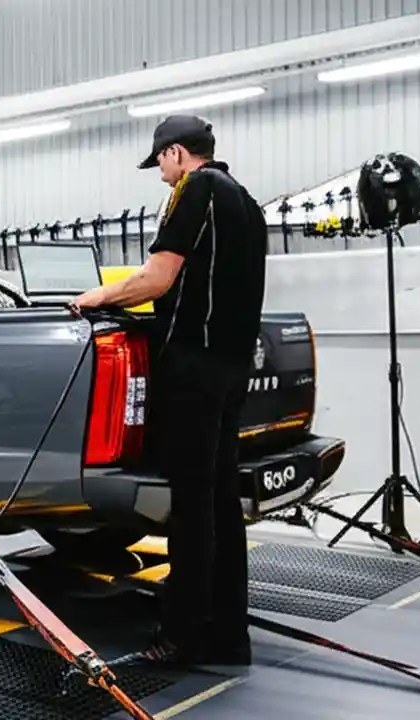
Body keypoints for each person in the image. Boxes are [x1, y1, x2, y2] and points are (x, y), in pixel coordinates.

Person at [69, 114, 267, 668]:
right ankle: (229, 635)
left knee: (192, 507)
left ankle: (182, 635)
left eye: (160, 161)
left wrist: (94, 298)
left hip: (194, 368)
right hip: (231, 367)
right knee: (221, 503)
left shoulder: (195, 189)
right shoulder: (246, 200)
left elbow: (157, 278)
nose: (160, 172)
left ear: (176, 153)